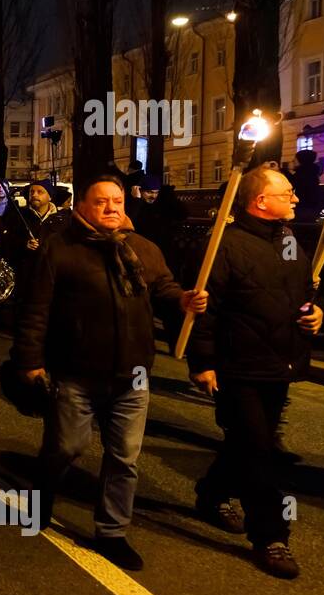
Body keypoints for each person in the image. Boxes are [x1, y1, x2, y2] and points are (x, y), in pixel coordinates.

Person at [14, 174, 205, 571]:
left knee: (124, 457)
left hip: (132, 376)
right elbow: (37, 311)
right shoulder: (60, 250)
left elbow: (163, 289)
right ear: (81, 207)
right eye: (101, 202)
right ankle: (44, 491)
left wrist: (184, 299)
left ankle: (112, 531)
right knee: (66, 447)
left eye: (117, 200)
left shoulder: (143, 249)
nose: (112, 208)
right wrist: (30, 361)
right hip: (77, 373)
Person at [187, 165, 322, 579]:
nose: (296, 198)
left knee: (247, 444)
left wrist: (315, 312)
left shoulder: (287, 239)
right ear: (261, 201)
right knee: (260, 449)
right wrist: (203, 362)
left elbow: (299, 292)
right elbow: (206, 310)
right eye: (288, 193)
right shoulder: (224, 246)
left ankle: (211, 494)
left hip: (278, 363)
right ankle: (270, 535)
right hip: (237, 366)